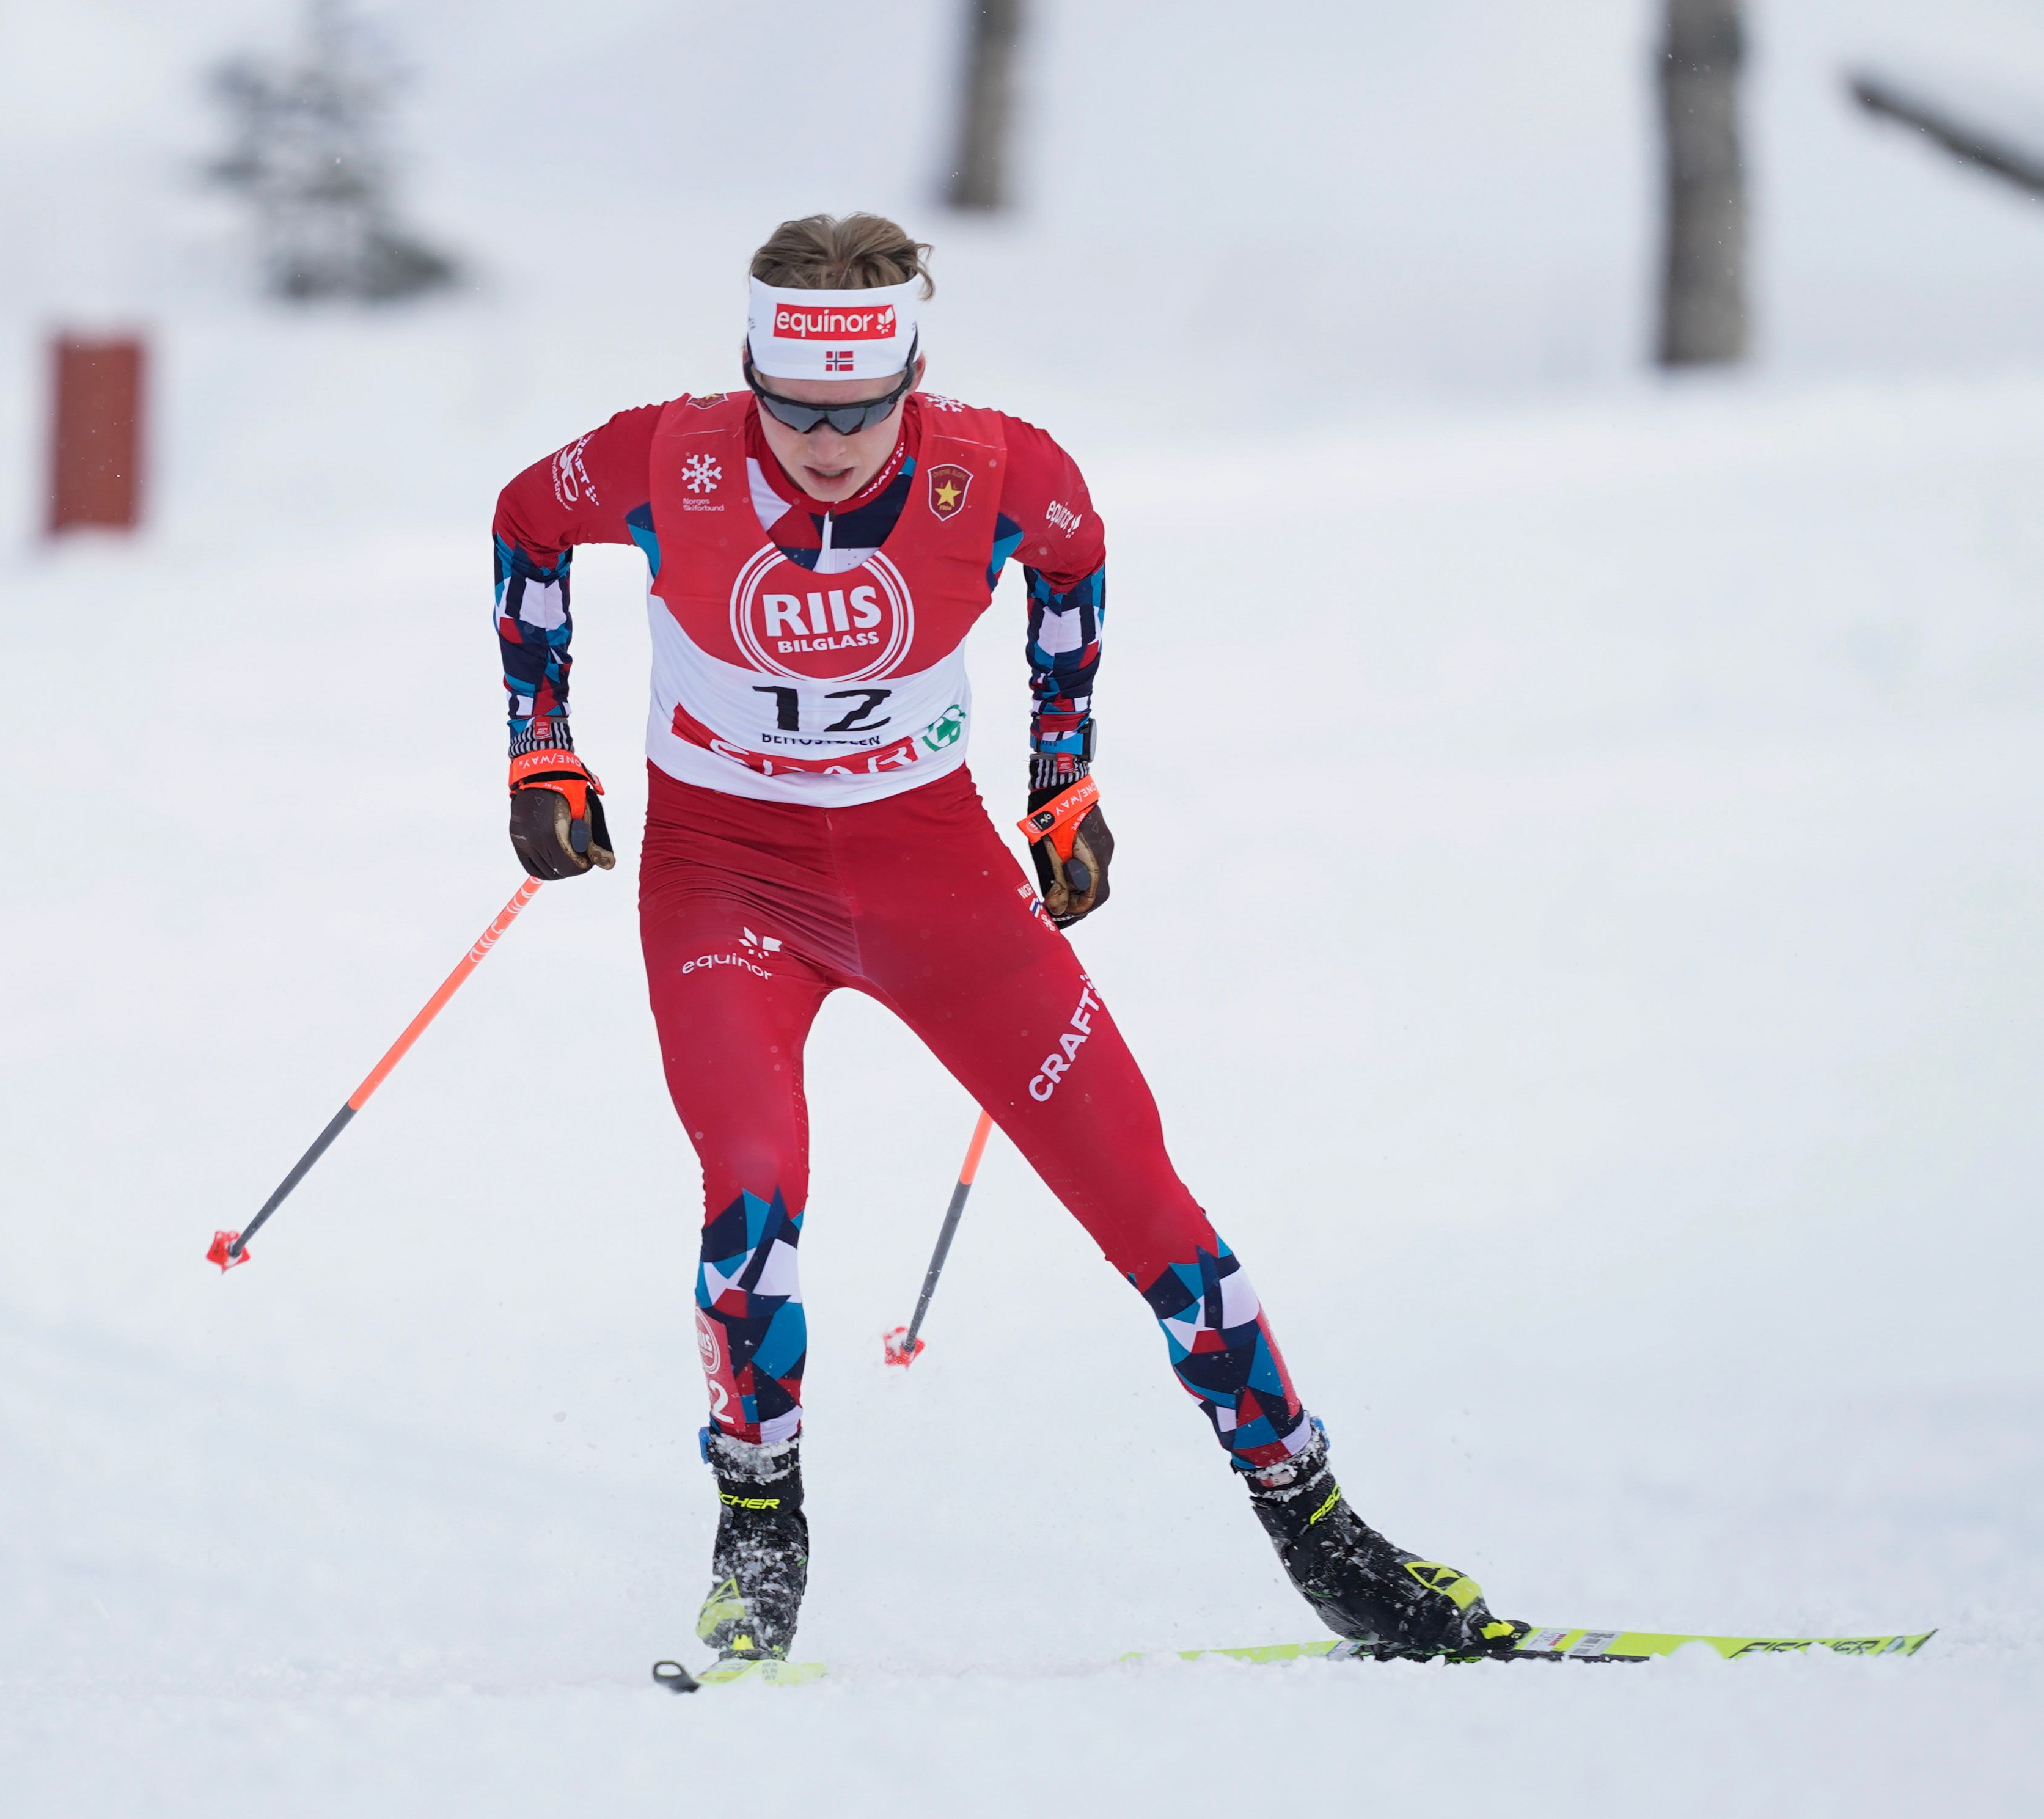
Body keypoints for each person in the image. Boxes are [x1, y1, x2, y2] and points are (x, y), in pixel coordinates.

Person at [490, 213, 1512, 1678]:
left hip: (934, 878)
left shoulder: (1002, 469)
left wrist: (1064, 781)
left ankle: (1323, 1531)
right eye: (791, 410)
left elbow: (1073, 572)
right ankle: (757, 1535)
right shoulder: (668, 457)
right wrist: (540, 751)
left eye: (858, 411)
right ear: (748, 378)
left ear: (912, 373)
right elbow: (525, 520)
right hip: (727, 885)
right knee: (754, 1197)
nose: (825, 445)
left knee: (1145, 1201)